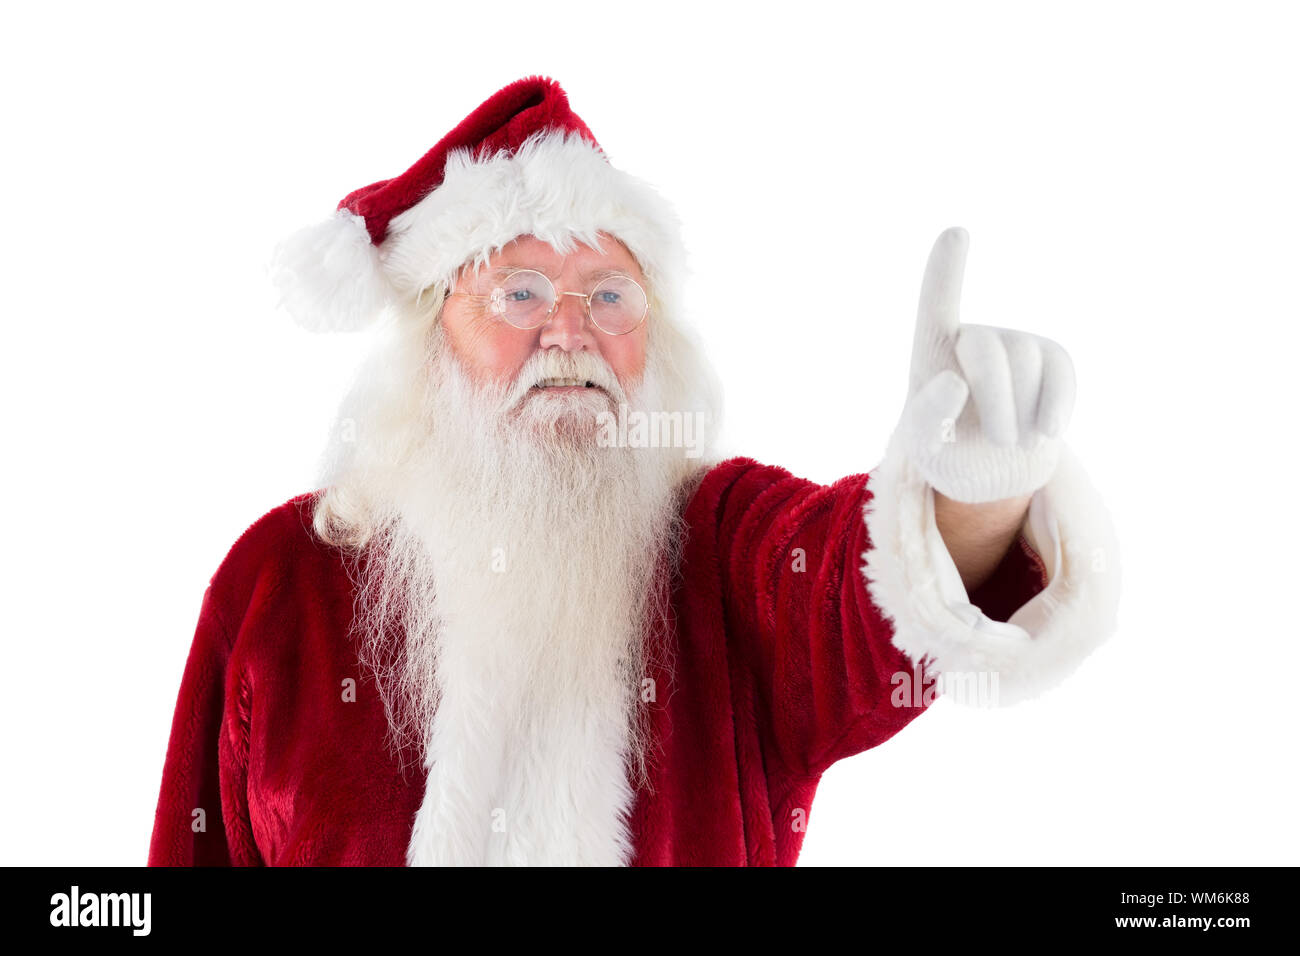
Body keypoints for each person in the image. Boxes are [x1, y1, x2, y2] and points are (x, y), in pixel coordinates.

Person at [147, 75, 1120, 867]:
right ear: (432, 330)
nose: (566, 330)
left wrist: (964, 496)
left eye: (607, 293)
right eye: (519, 290)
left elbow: (850, 596)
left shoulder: (722, 547)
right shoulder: (280, 580)